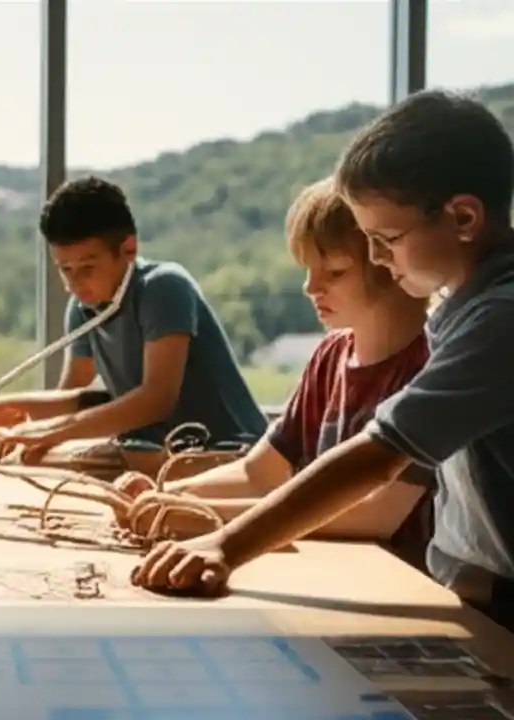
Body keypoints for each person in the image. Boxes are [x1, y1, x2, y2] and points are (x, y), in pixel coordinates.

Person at [131, 90, 514, 633]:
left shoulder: (501, 319)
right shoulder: (464, 311)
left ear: (463, 217)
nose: (378, 257)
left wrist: (225, 544)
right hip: (470, 595)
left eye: (386, 238)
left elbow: (379, 456)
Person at [118, 177, 433, 569]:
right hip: (330, 570)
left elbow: (379, 514)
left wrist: (199, 517)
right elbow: (259, 472)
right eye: (308, 270)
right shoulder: (331, 356)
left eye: (335, 271)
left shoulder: (432, 368)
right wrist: (163, 494)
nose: (310, 287)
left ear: (392, 262)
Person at [0, 176, 267, 464]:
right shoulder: (83, 308)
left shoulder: (163, 287)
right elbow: (79, 401)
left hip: (234, 456)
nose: (75, 284)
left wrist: (52, 431)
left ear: (128, 249)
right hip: (163, 457)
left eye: (87, 267)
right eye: (65, 269)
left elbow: (156, 400)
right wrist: (4, 412)